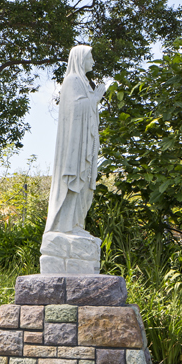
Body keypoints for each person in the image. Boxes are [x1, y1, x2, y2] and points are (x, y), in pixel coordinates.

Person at [43, 44, 107, 236]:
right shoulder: (72, 81)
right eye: (90, 58)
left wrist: (94, 98)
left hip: (84, 144)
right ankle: (65, 226)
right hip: (75, 147)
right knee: (75, 180)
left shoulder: (84, 83)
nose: (93, 62)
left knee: (84, 184)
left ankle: (77, 224)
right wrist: (95, 98)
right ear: (80, 59)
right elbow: (75, 109)